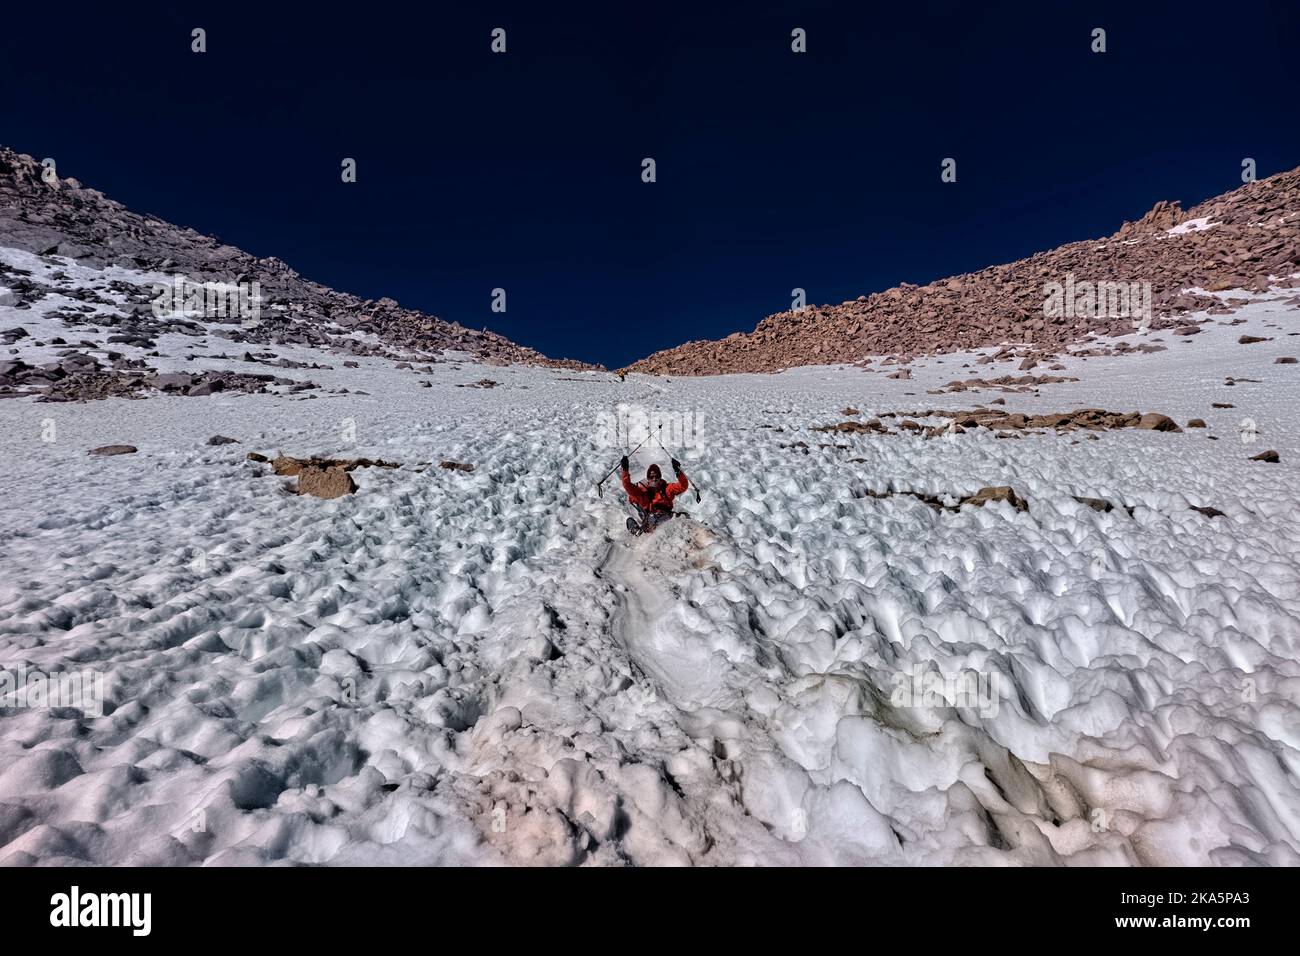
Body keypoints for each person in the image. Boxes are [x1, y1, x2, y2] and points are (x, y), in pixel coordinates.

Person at [620, 456, 688, 535]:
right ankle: (640, 532)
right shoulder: (642, 493)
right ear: (648, 478)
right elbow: (627, 485)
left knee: (684, 516)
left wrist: (678, 472)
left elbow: (683, 486)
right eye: (651, 477)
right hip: (650, 520)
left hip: (666, 515)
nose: (654, 479)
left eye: (657, 476)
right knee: (652, 517)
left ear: (660, 477)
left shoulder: (667, 489)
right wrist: (625, 470)